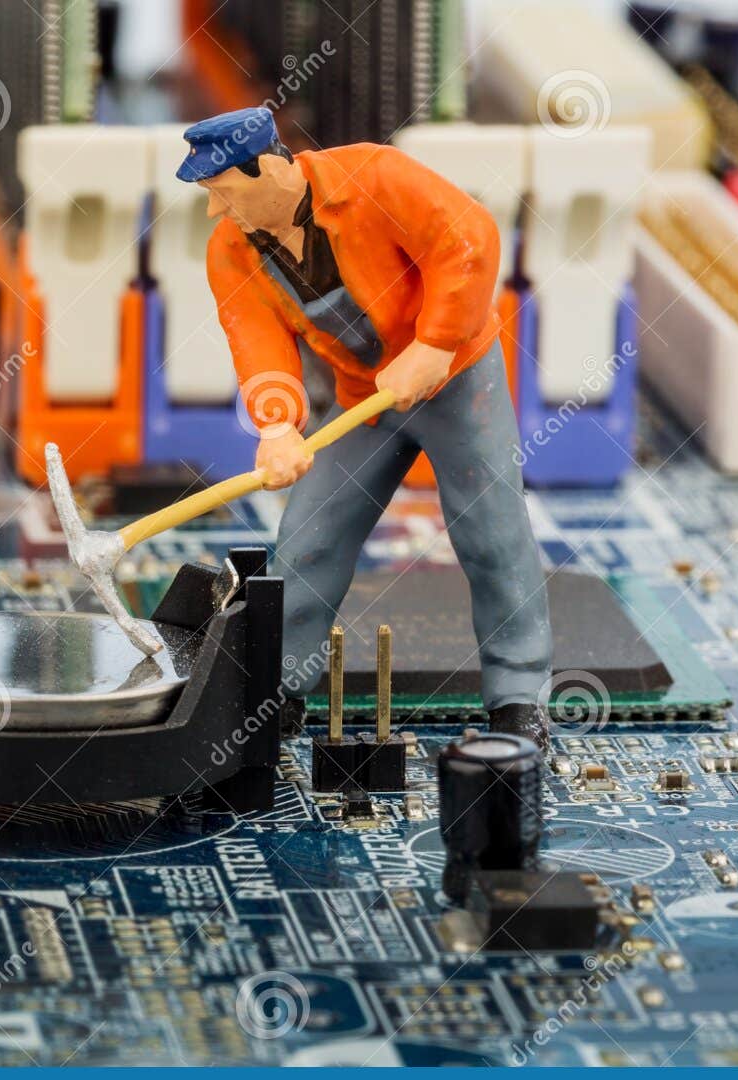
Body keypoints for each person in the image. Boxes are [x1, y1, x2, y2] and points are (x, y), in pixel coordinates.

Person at [177, 107, 552, 745]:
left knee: (493, 538)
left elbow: (469, 240)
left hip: (459, 381)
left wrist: (434, 346)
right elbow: (258, 345)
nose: (215, 210)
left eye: (221, 192)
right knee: (308, 539)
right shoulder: (231, 252)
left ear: (267, 168)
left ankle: (519, 697)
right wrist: (276, 427)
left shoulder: (376, 176)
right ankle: (280, 689)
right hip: (363, 401)